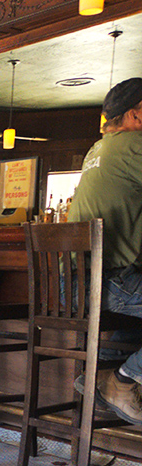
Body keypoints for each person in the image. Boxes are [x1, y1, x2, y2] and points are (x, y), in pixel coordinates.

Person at [68, 76, 142, 424]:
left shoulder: (97, 150)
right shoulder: (134, 145)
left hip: (80, 282)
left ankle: (104, 372)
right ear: (136, 116)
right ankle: (123, 381)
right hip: (109, 281)